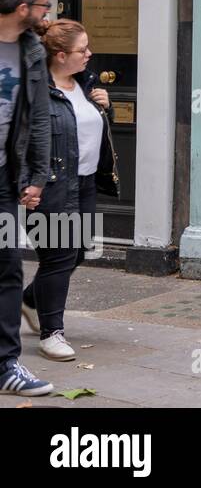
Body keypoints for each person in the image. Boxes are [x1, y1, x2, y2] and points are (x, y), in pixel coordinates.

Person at [20, 20, 114, 363]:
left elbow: (90, 130)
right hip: (52, 186)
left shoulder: (86, 83)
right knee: (58, 257)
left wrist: (106, 107)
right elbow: (20, 141)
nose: (90, 55)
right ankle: (51, 334)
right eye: (82, 50)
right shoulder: (36, 91)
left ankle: (30, 300)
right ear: (60, 55)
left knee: (76, 253)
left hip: (86, 184)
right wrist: (27, 184)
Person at [0, 0, 54, 396]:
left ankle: (6, 366)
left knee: (8, 267)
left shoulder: (31, 51)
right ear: (23, 9)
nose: (47, 14)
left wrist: (37, 176)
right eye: (43, 7)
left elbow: (35, 119)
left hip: (3, 179)